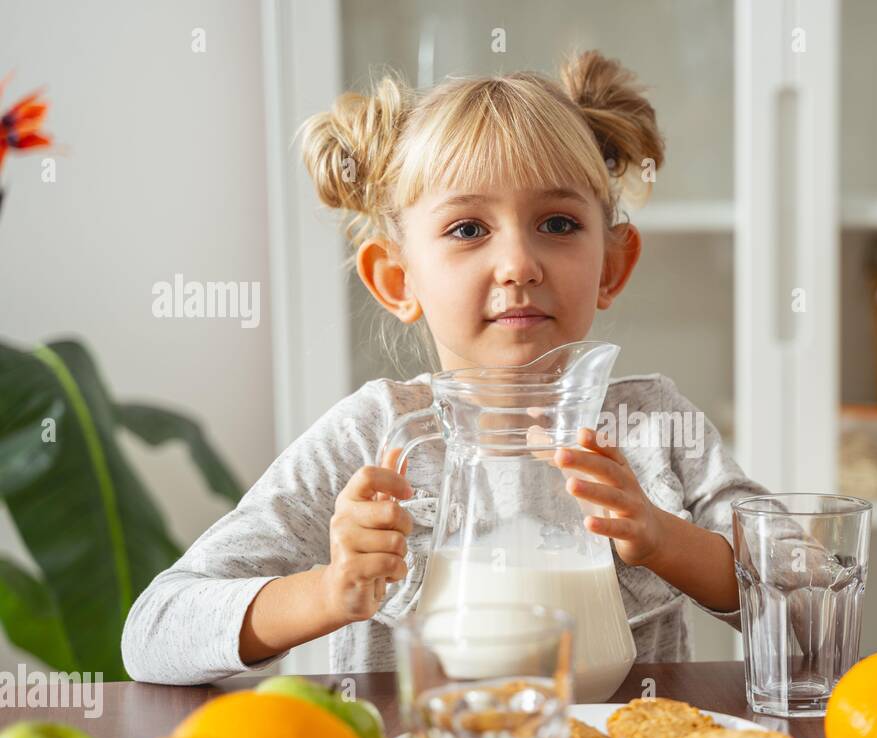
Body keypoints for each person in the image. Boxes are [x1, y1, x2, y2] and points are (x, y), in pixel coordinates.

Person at [122, 51, 771, 685]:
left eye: (557, 221)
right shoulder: (369, 440)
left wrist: (664, 539)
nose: (518, 263)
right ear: (397, 278)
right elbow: (152, 632)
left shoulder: (652, 428)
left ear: (612, 264)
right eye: (467, 229)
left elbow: (810, 598)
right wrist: (329, 592)